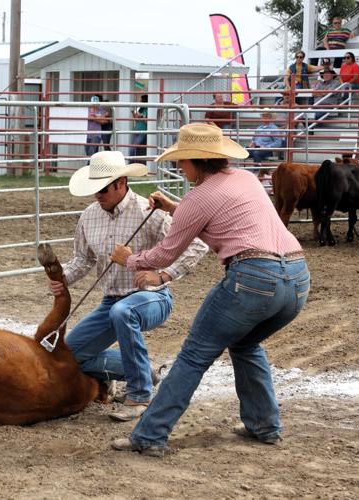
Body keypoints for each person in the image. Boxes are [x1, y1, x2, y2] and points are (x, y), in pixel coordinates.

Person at [108, 123, 309, 456]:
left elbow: (164, 255)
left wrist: (130, 260)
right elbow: (222, 216)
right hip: (297, 277)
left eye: (182, 160)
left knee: (193, 356)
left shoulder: (198, 198)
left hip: (252, 279)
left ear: (197, 161)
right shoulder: (245, 178)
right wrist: (176, 208)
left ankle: (149, 436)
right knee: (245, 343)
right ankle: (264, 425)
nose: (179, 166)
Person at [50, 150, 208, 422]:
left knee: (123, 312)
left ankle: (139, 394)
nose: (97, 195)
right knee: (69, 355)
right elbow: (82, 260)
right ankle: (144, 372)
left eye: (102, 188)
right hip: (112, 302)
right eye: (94, 189)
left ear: (121, 183)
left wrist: (164, 275)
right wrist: (61, 278)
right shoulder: (89, 216)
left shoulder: (150, 212)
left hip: (152, 297)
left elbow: (197, 244)